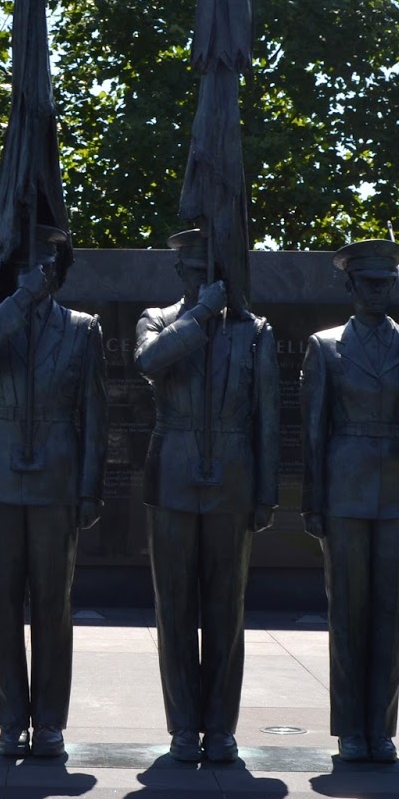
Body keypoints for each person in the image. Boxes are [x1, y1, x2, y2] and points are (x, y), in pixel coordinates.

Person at [0, 224, 107, 758]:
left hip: (57, 475)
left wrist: (90, 488)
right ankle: (9, 719)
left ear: (62, 271)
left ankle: (48, 721)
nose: (41, 271)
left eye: (50, 263)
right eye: (30, 263)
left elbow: (94, 413)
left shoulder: (82, 328)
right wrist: (20, 298)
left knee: (52, 603)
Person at [301, 238, 399, 763]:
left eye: (385, 283)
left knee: (391, 615)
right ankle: (350, 727)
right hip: (344, 488)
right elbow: (314, 432)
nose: (377, 292)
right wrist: (313, 501)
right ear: (349, 285)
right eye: (368, 283)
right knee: (348, 613)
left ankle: (380, 727)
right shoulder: (324, 346)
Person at [134, 229, 278, 763]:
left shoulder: (252, 331)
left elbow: (266, 417)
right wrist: (199, 315)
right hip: (172, 477)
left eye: (207, 273)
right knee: (173, 610)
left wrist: (265, 493)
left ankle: (220, 726)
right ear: (178, 274)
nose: (199, 281)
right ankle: (181, 726)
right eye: (190, 273)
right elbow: (149, 364)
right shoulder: (158, 319)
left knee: (225, 610)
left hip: (234, 481)